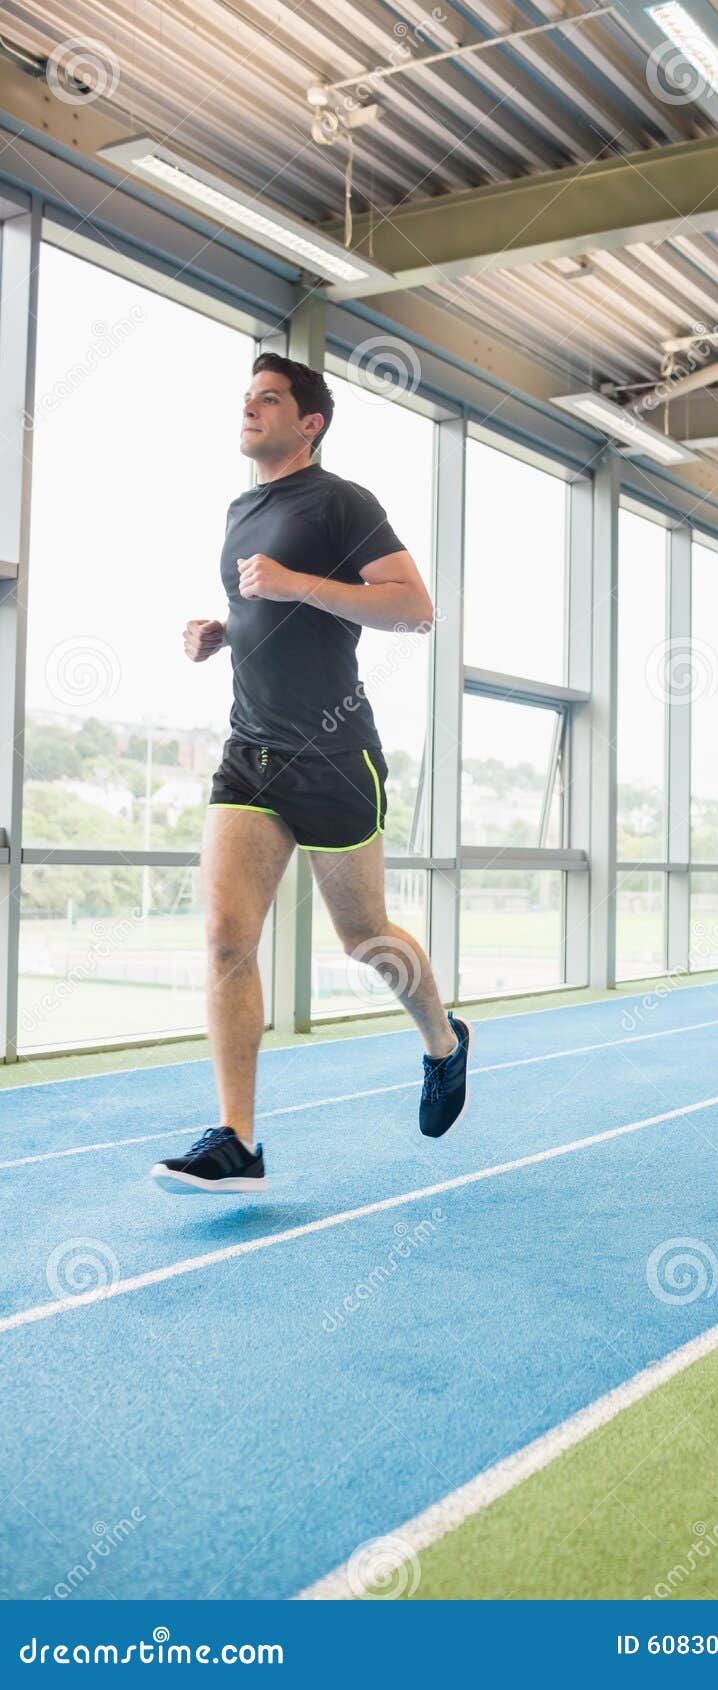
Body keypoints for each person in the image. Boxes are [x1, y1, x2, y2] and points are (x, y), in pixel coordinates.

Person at [150, 353, 470, 1193]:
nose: (249, 410)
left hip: (333, 754)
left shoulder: (342, 501)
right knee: (226, 938)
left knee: (365, 940)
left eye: (268, 400)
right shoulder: (240, 508)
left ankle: (442, 1041)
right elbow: (271, 610)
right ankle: (239, 1142)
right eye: (246, 398)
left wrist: (296, 584)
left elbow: (414, 609)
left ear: (310, 423)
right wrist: (222, 629)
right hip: (249, 750)